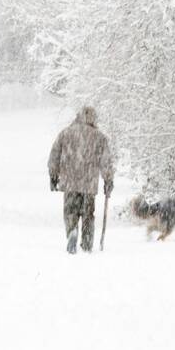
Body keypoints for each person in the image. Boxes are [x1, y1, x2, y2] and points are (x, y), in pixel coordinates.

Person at [47, 105, 114, 254]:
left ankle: (72, 231)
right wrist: (108, 180)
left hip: (70, 182)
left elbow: (54, 155)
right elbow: (106, 161)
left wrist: (53, 175)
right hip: (89, 184)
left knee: (70, 211)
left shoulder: (66, 133)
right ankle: (87, 243)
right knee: (88, 214)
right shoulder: (99, 137)